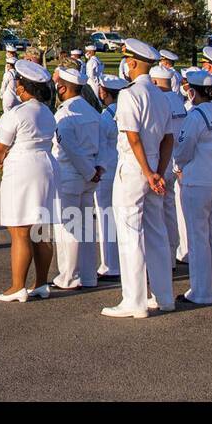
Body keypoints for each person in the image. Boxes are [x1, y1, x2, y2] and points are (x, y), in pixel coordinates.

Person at [102, 38, 175, 319]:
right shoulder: (161, 95)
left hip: (135, 169)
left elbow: (132, 137)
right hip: (155, 166)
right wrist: (158, 171)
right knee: (156, 233)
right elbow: (168, 139)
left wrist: (147, 171)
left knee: (130, 233)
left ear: (131, 63)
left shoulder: (129, 94)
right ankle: (164, 296)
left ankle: (134, 300)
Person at [0, 59, 60, 302]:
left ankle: (17, 286)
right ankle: (41, 283)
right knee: (41, 230)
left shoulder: (16, 113)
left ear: (23, 87)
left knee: (20, 230)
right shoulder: (47, 112)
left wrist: (2, 162)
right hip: (46, 165)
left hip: (22, 167)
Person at [174, 69, 212, 305]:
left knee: (198, 237)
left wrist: (178, 165)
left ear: (193, 91)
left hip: (198, 180)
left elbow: (184, 148)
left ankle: (201, 291)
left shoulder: (196, 115)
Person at [51, 65, 101, 290]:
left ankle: (69, 276)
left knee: (67, 228)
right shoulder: (92, 111)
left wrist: (90, 171)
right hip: (90, 174)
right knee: (87, 229)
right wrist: (96, 170)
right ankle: (89, 275)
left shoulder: (64, 114)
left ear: (62, 88)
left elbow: (70, 149)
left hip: (71, 174)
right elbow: (102, 145)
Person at [152, 64, 188, 264]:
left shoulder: (160, 101)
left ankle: (166, 256)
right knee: (172, 208)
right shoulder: (178, 100)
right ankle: (174, 250)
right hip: (177, 159)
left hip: (163, 159)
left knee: (160, 210)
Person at [94, 75, 127, 282]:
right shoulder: (127, 112)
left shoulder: (106, 116)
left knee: (106, 217)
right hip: (123, 168)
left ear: (104, 93)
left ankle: (110, 264)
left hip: (107, 169)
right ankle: (122, 261)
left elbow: (98, 143)